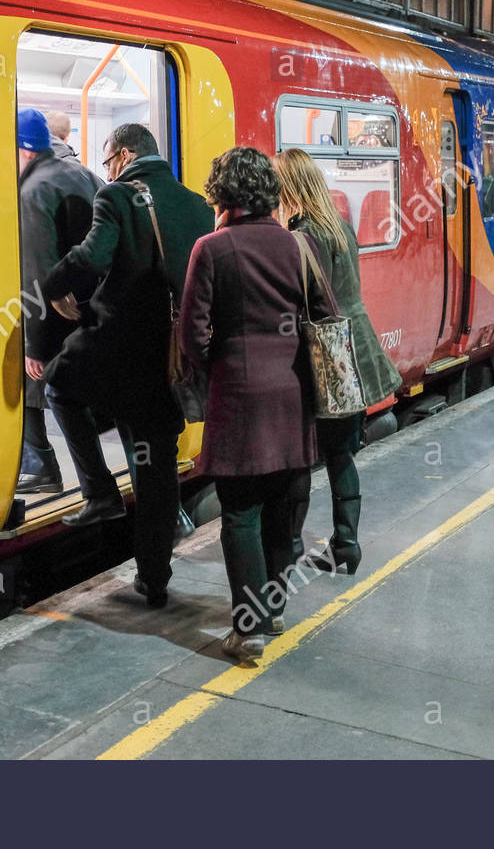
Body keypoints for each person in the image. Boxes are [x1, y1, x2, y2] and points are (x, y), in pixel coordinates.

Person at [42, 123, 212, 606]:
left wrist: (54, 286)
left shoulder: (116, 196)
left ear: (123, 154)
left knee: (59, 384)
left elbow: (91, 257)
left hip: (119, 350)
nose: (106, 167)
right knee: (155, 468)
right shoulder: (196, 203)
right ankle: (153, 579)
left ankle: (99, 492)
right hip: (174, 355)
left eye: (107, 157)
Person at [179, 146, 329, 661]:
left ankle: (249, 631)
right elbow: (326, 314)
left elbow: (193, 336)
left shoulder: (211, 249)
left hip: (240, 399)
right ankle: (275, 608)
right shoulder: (297, 246)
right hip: (293, 396)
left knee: (240, 513)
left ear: (221, 193)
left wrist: (218, 366)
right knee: (283, 508)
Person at [274, 148, 402, 577]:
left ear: (290, 185)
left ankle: (291, 544)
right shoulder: (340, 227)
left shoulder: (301, 236)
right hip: (355, 349)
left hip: (322, 358)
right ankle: (346, 543)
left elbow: (301, 304)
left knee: (301, 454)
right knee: (341, 454)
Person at [15, 108, 107, 495]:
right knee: (74, 391)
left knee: (35, 380)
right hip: (89, 304)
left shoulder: (33, 189)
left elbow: (36, 269)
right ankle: (99, 487)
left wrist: (34, 345)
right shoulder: (88, 175)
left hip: (54, 306)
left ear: (23, 150)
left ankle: (40, 464)